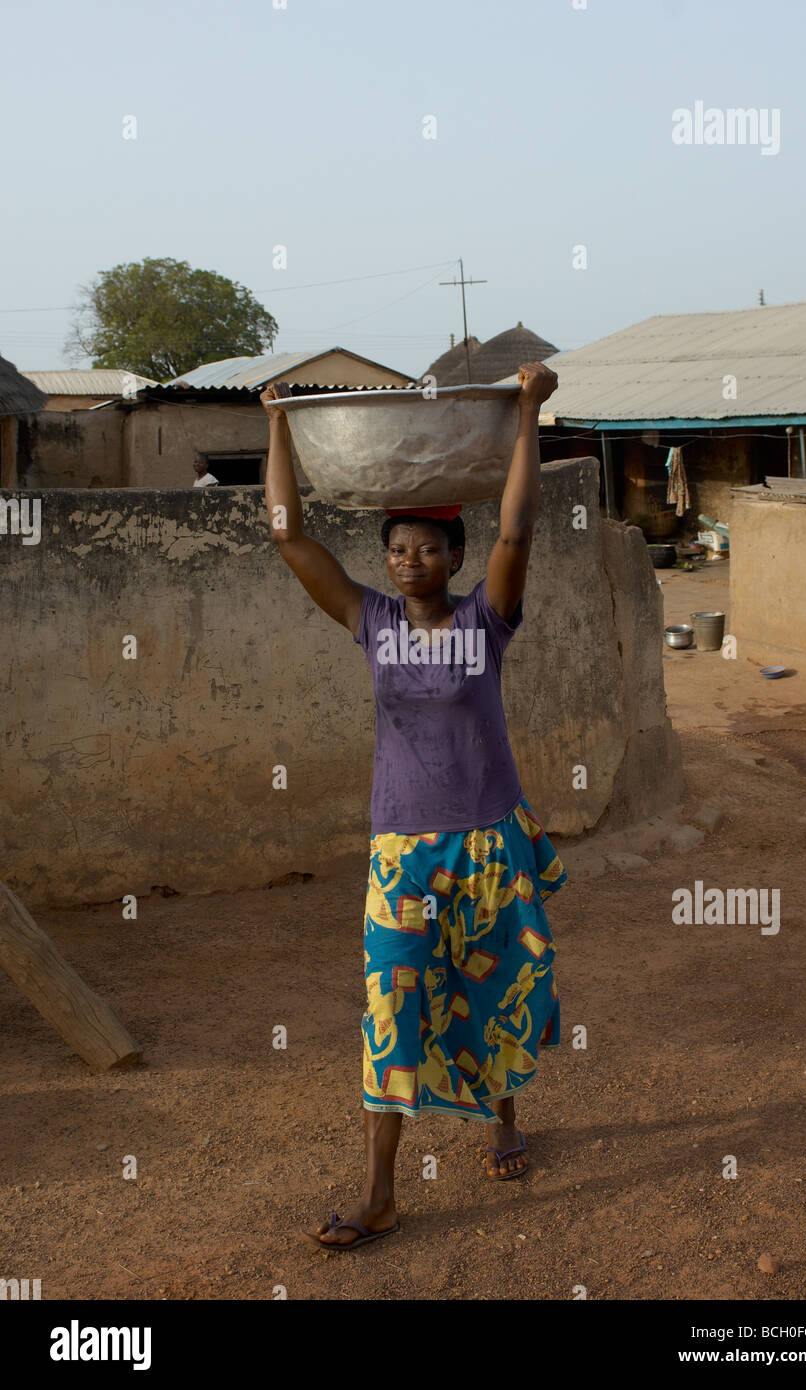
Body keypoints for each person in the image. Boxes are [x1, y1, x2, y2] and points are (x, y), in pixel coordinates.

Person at [261, 362, 567, 1249]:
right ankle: (379, 1192)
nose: (409, 561)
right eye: (396, 549)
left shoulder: (486, 621)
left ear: (455, 559)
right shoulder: (371, 623)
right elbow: (288, 537)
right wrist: (279, 424)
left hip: (488, 848)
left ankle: (503, 1119)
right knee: (390, 1010)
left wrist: (523, 411)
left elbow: (519, 524)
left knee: (497, 987)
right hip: (403, 854)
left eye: (427, 549)